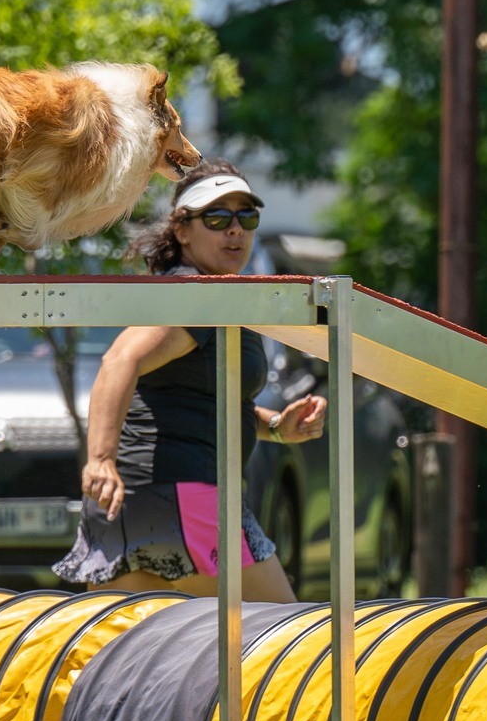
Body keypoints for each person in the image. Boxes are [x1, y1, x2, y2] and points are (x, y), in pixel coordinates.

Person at [52, 159, 325, 601]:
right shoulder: (200, 296)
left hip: (126, 506)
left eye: (246, 216)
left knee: (131, 663)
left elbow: (195, 398)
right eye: (216, 218)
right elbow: (119, 359)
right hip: (185, 499)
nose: (234, 230)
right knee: (283, 645)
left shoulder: (199, 292)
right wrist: (99, 457)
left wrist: (275, 426)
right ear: (182, 230)